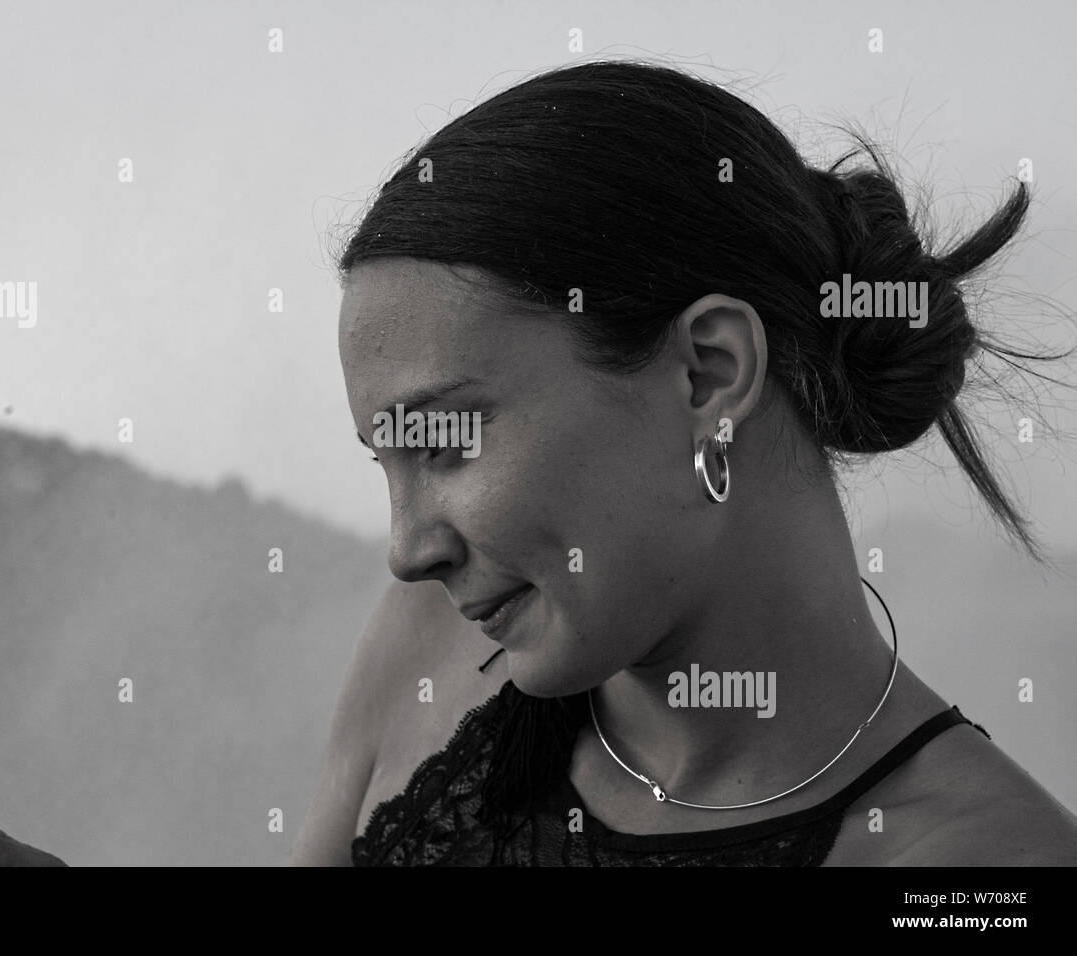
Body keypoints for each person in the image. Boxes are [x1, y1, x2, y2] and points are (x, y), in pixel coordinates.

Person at [291, 60, 1077, 865]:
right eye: (384, 461)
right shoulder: (431, 645)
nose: (409, 551)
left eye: (445, 440)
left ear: (710, 372)